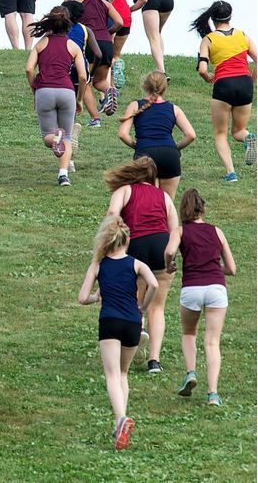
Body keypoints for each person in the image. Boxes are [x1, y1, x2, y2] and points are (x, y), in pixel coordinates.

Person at [78, 216, 159, 450]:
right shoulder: (136, 264)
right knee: (123, 373)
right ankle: (119, 425)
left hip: (110, 321)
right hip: (133, 322)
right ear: (127, 240)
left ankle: (121, 418)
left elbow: (83, 297)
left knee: (112, 375)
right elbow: (153, 284)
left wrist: (96, 297)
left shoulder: (98, 264)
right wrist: (143, 306)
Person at [105, 157, 179, 375]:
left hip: (136, 245)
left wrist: (113, 241)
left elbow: (112, 214)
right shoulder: (164, 196)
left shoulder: (125, 191)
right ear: (153, 177)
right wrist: (172, 258)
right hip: (161, 246)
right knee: (158, 306)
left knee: (134, 299)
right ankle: (154, 361)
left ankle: (138, 330)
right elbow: (174, 230)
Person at [165, 189, 236, 406]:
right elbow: (232, 269)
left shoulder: (180, 231)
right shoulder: (217, 232)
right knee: (212, 342)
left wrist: (170, 265)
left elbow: (169, 252)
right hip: (216, 288)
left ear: (183, 209)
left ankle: (191, 372)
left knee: (189, 333)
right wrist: (213, 267)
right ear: (203, 208)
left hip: (192, 288)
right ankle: (213, 394)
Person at [192, 0, 257, 181]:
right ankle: (249, 137)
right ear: (230, 16)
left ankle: (231, 173)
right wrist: (251, 79)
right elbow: (257, 58)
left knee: (220, 133)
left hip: (224, 85)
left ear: (212, 18)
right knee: (238, 130)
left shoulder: (209, 39)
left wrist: (207, 78)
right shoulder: (243, 35)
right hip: (244, 84)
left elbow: (202, 69)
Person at [25, 7, 87, 186]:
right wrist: (80, 99)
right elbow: (83, 76)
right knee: (66, 136)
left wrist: (34, 87)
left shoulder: (41, 43)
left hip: (44, 91)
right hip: (67, 92)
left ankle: (55, 139)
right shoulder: (72, 45)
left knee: (48, 137)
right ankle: (63, 175)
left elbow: (29, 69)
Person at [118, 71, 196, 198]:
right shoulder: (174, 108)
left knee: (147, 200)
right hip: (169, 155)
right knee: (167, 203)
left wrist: (136, 146)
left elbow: (122, 134)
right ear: (164, 88)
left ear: (145, 85)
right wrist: (175, 148)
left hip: (145, 155)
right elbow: (191, 135)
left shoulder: (135, 105)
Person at [66, 0, 123, 116]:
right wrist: (107, 32)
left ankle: (95, 118)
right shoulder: (104, 3)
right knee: (99, 81)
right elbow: (119, 22)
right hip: (106, 44)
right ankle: (108, 90)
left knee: (85, 82)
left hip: (88, 44)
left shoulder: (76, 3)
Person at [102, 0, 144, 88]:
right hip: (125, 16)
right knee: (116, 54)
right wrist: (130, 9)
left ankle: (109, 87)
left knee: (106, 55)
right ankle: (117, 70)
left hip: (109, 16)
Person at [61, 0, 102, 135]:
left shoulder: (60, 27)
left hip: (65, 66)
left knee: (67, 94)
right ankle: (95, 119)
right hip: (81, 68)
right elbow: (98, 54)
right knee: (84, 89)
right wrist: (92, 71)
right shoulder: (86, 30)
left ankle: (70, 123)